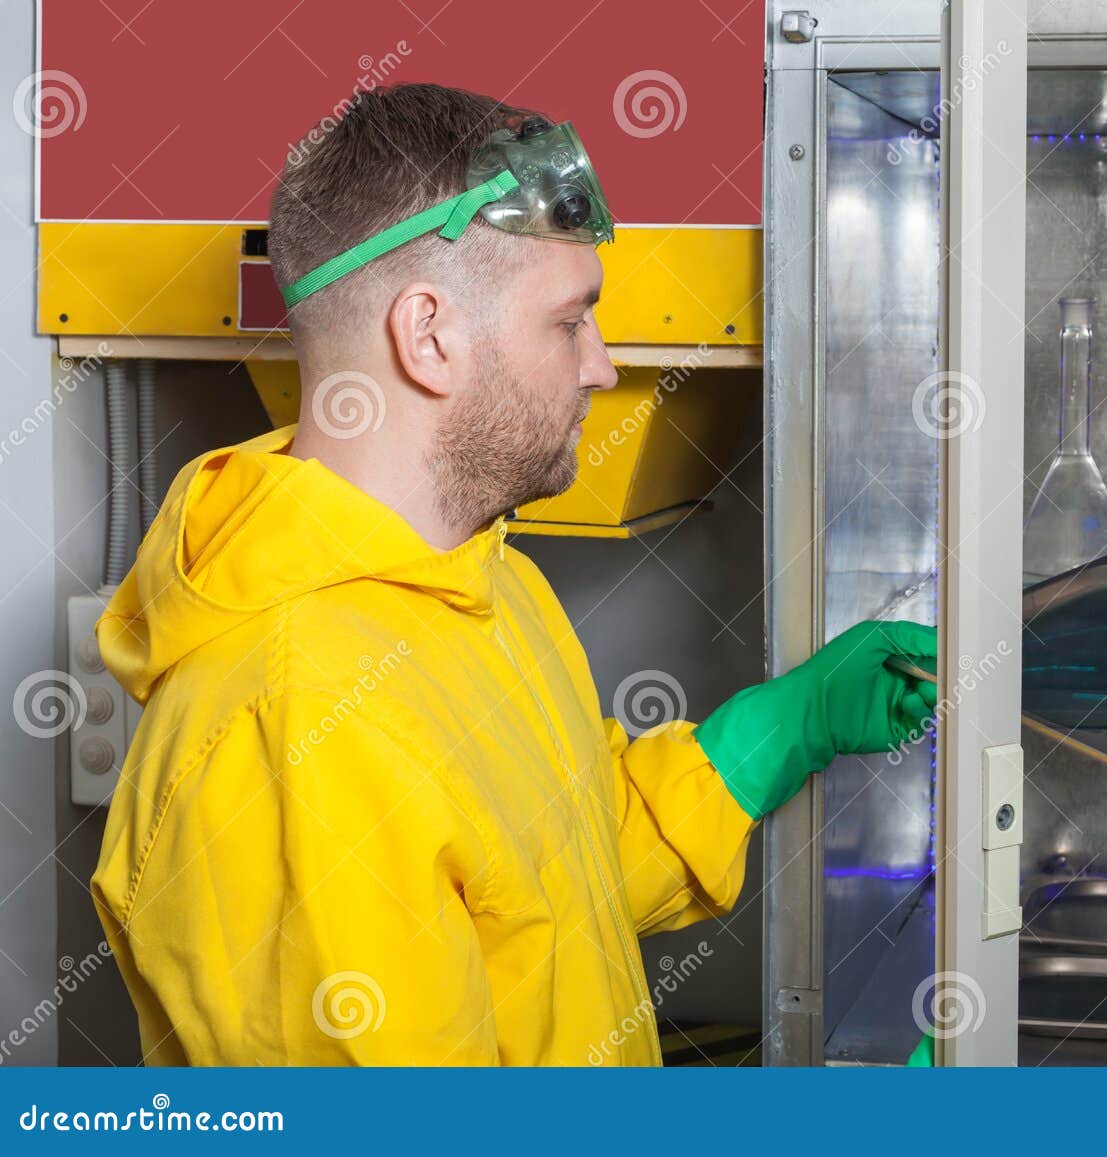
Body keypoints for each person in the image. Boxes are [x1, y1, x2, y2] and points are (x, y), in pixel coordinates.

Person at [90, 83, 937, 1065]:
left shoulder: (481, 580)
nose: (604, 366)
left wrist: (782, 728)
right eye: (569, 321)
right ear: (430, 336)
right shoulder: (295, 727)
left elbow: (553, 880)